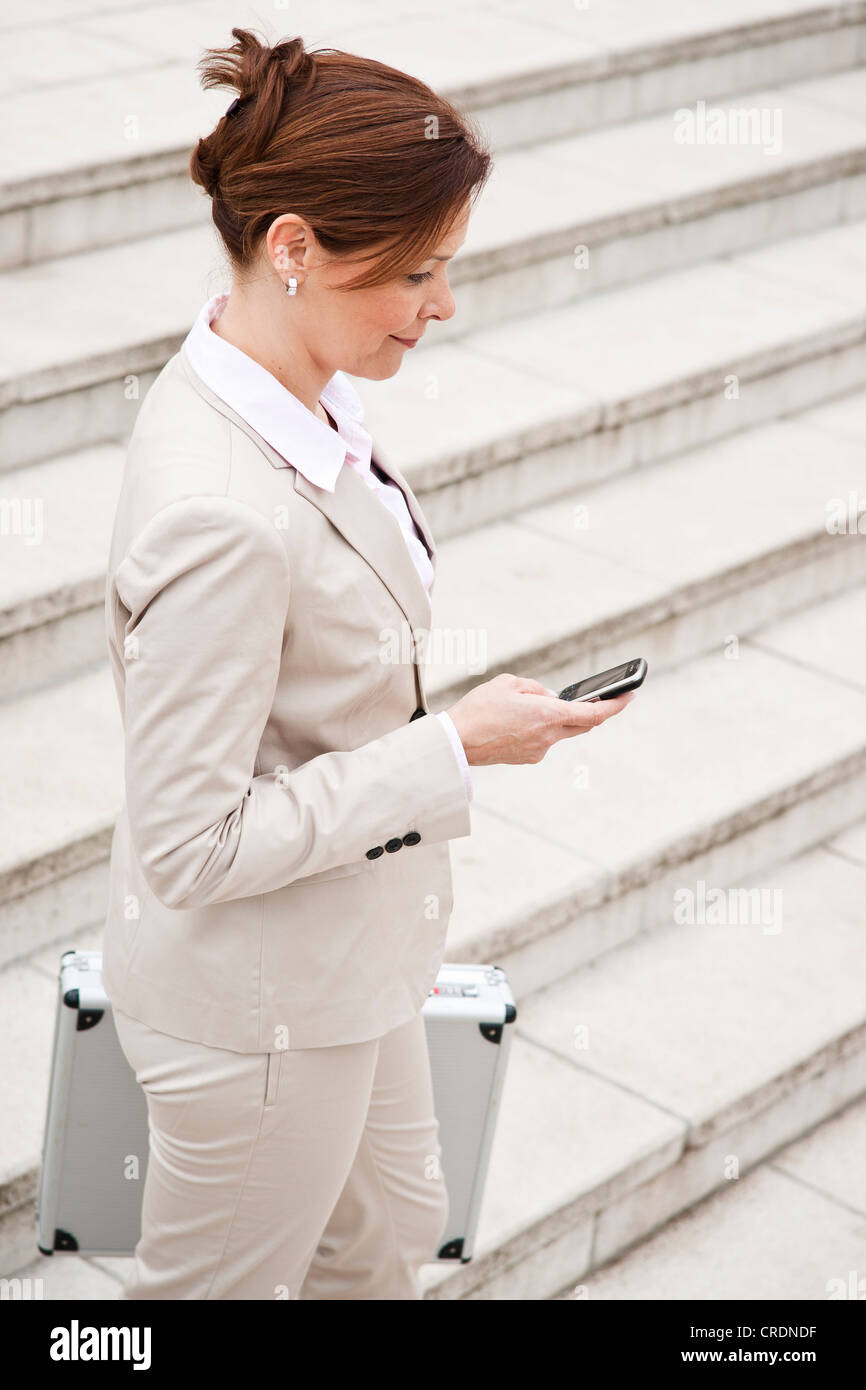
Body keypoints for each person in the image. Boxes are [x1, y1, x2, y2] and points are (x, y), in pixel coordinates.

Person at [103, 26, 637, 1301]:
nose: (441, 305)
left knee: (392, 1238)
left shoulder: (293, 384)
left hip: (347, 959)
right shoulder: (218, 510)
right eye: (415, 273)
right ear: (292, 247)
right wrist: (452, 746)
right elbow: (191, 842)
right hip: (256, 1017)